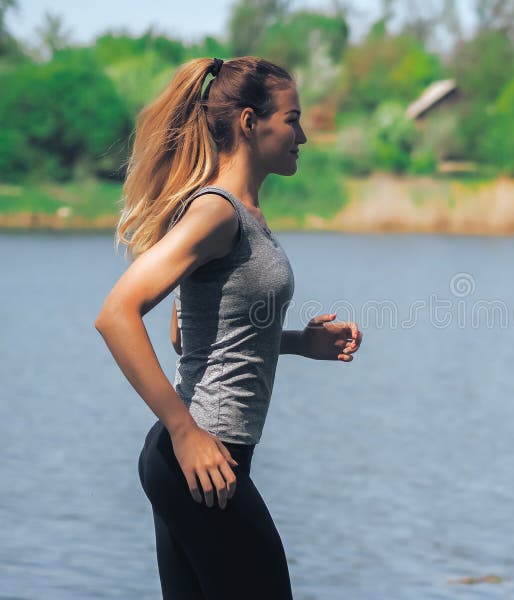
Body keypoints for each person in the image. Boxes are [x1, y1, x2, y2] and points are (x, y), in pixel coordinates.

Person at [94, 56, 363, 599]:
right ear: (248, 121)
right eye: (292, 119)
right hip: (201, 456)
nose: (303, 135)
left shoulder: (244, 214)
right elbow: (115, 315)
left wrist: (298, 345)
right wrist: (184, 431)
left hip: (201, 458)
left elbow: (182, 336)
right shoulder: (217, 214)